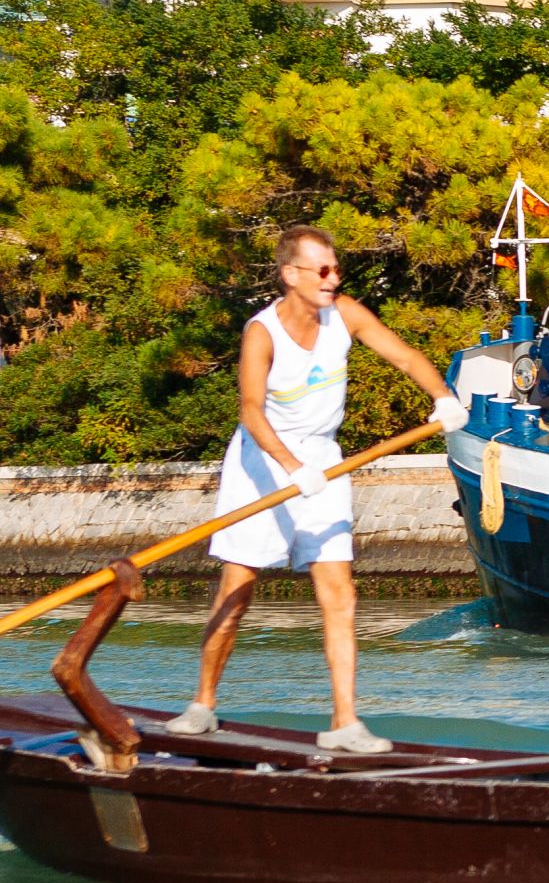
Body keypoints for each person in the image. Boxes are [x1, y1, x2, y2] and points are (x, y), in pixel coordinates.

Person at [170, 225, 468, 753]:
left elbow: (404, 357)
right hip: (261, 463)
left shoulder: (345, 315)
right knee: (236, 593)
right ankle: (202, 704)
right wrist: (290, 466)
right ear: (291, 275)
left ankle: (345, 723)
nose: (334, 279)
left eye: (336, 269)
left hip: (325, 462)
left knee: (340, 595)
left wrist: (443, 397)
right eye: (323, 270)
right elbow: (251, 412)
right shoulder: (261, 332)